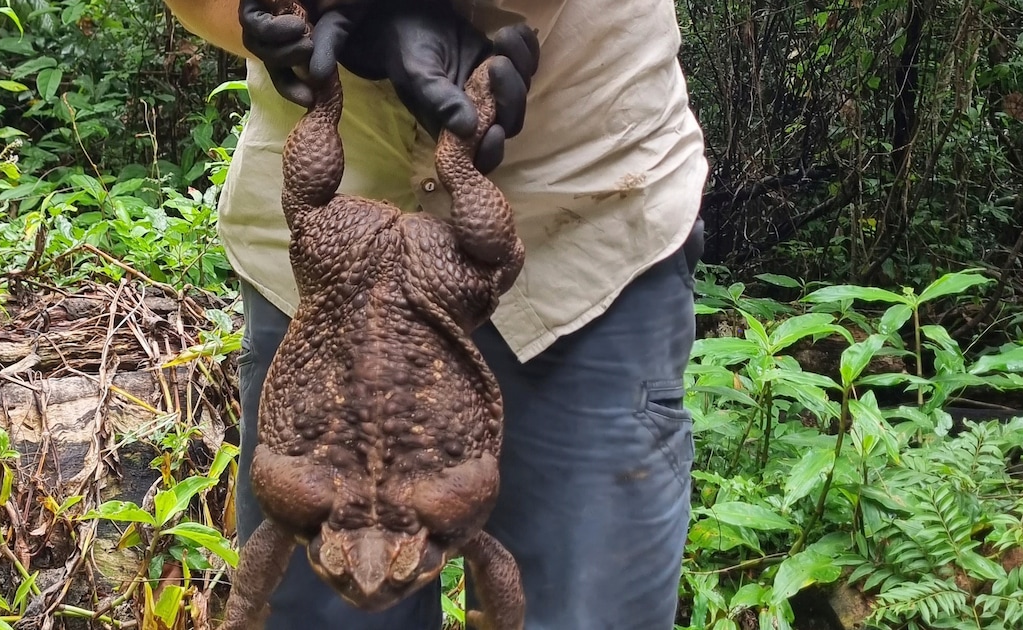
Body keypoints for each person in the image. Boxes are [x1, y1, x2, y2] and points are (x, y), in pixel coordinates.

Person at [162, 0, 709, 628]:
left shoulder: (430, 509)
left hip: (581, 222)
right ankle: (414, 135)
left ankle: (413, 139)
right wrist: (311, 22)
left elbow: (470, 517)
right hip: (340, 262)